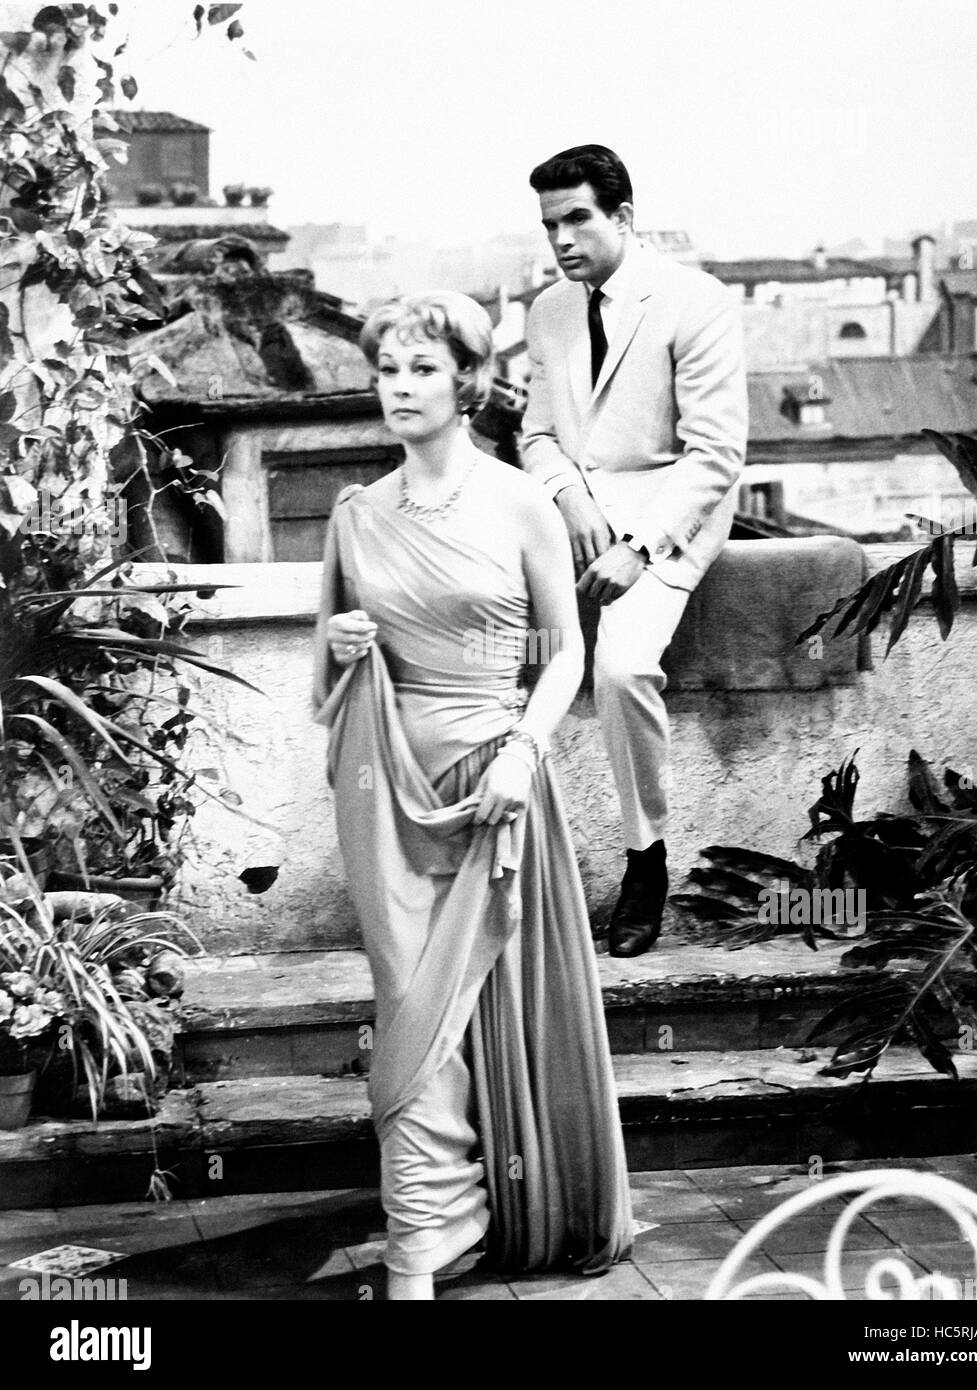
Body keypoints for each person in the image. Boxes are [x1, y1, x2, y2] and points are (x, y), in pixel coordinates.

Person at [312, 291, 634, 1301]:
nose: (398, 388)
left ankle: (439, 1235)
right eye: (386, 370)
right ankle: (431, 1225)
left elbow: (568, 648)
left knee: (488, 1001)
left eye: (419, 369)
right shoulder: (355, 515)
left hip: (497, 777)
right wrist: (341, 645)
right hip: (390, 794)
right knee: (412, 1006)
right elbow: (324, 677)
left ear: (466, 382)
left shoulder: (520, 501)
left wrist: (523, 752)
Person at [521, 144, 749, 959]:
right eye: (550, 224)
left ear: (622, 216)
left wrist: (636, 547)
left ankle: (643, 856)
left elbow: (716, 455)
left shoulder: (695, 301)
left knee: (618, 669)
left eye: (577, 218)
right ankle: (489, 865)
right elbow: (537, 434)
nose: (562, 240)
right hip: (573, 516)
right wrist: (571, 498)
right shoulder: (547, 310)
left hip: (669, 516)